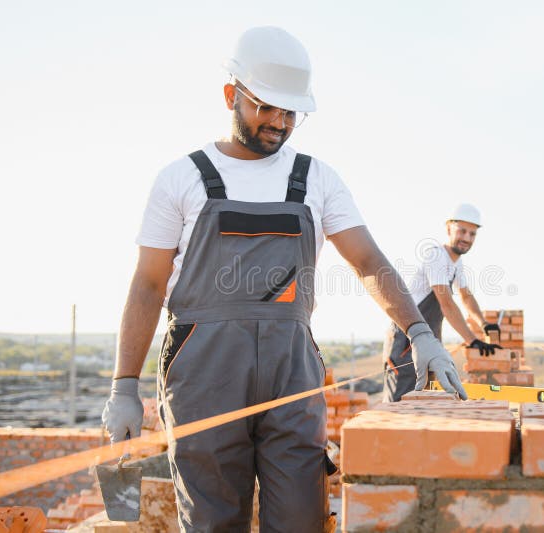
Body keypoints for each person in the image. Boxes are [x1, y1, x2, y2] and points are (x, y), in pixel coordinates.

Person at [100, 26, 466, 533]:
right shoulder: (180, 178)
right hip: (203, 373)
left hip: (290, 370)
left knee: (300, 519)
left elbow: (367, 260)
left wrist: (420, 333)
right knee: (211, 521)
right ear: (232, 95)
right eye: (265, 107)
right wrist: (123, 386)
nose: (278, 122)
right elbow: (146, 285)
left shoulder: (317, 178)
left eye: (290, 112)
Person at [382, 203, 501, 402]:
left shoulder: (456, 263)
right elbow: (446, 302)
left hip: (428, 341)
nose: (467, 238)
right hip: (406, 340)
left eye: (472, 234)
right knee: (400, 403)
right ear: (448, 228)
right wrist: (472, 340)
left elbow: (466, 296)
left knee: (423, 399)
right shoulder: (436, 255)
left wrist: (484, 324)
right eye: (462, 231)